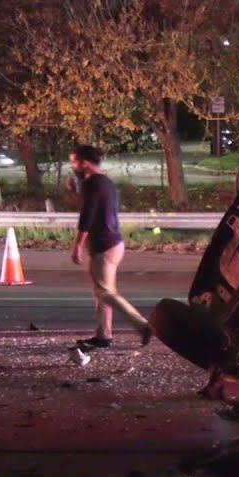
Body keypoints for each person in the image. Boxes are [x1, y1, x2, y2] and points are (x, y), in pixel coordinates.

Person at [69, 145, 152, 350]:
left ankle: (142, 325)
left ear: (85, 163)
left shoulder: (92, 184)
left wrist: (77, 245)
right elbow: (91, 206)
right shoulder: (105, 183)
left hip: (104, 245)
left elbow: (87, 215)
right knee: (102, 291)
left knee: (106, 292)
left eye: (74, 162)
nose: (73, 166)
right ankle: (103, 335)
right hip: (112, 243)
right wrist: (74, 193)